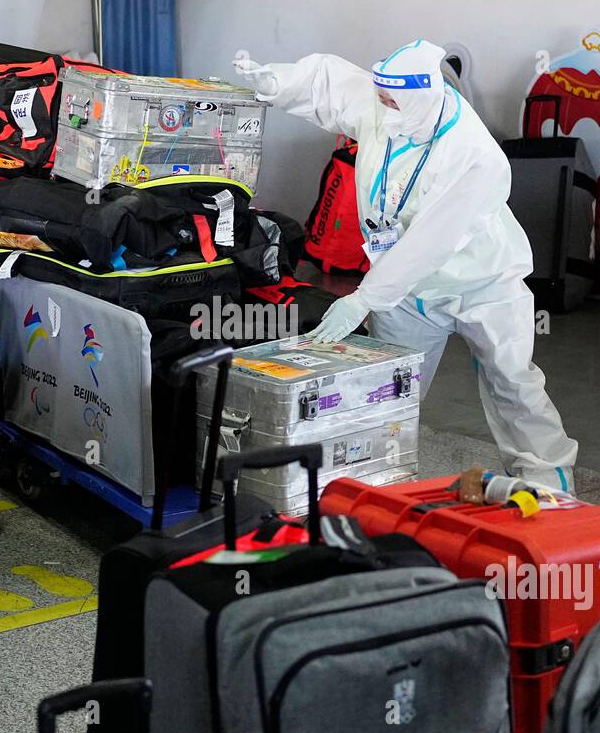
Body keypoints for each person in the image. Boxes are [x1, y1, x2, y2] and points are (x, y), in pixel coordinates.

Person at [234, 39, 578, 492]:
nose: (382, 107)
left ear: (423, 97)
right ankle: (374, 484)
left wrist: (363, 299)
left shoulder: (474, 156)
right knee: (391, 390)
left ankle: (550, 486)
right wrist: (278, 83)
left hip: (483, 282)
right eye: (381, 98)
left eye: (392, 100)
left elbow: (431, 244)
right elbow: (333, 84)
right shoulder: (389, 105)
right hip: (407, 293)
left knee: (513, 382)